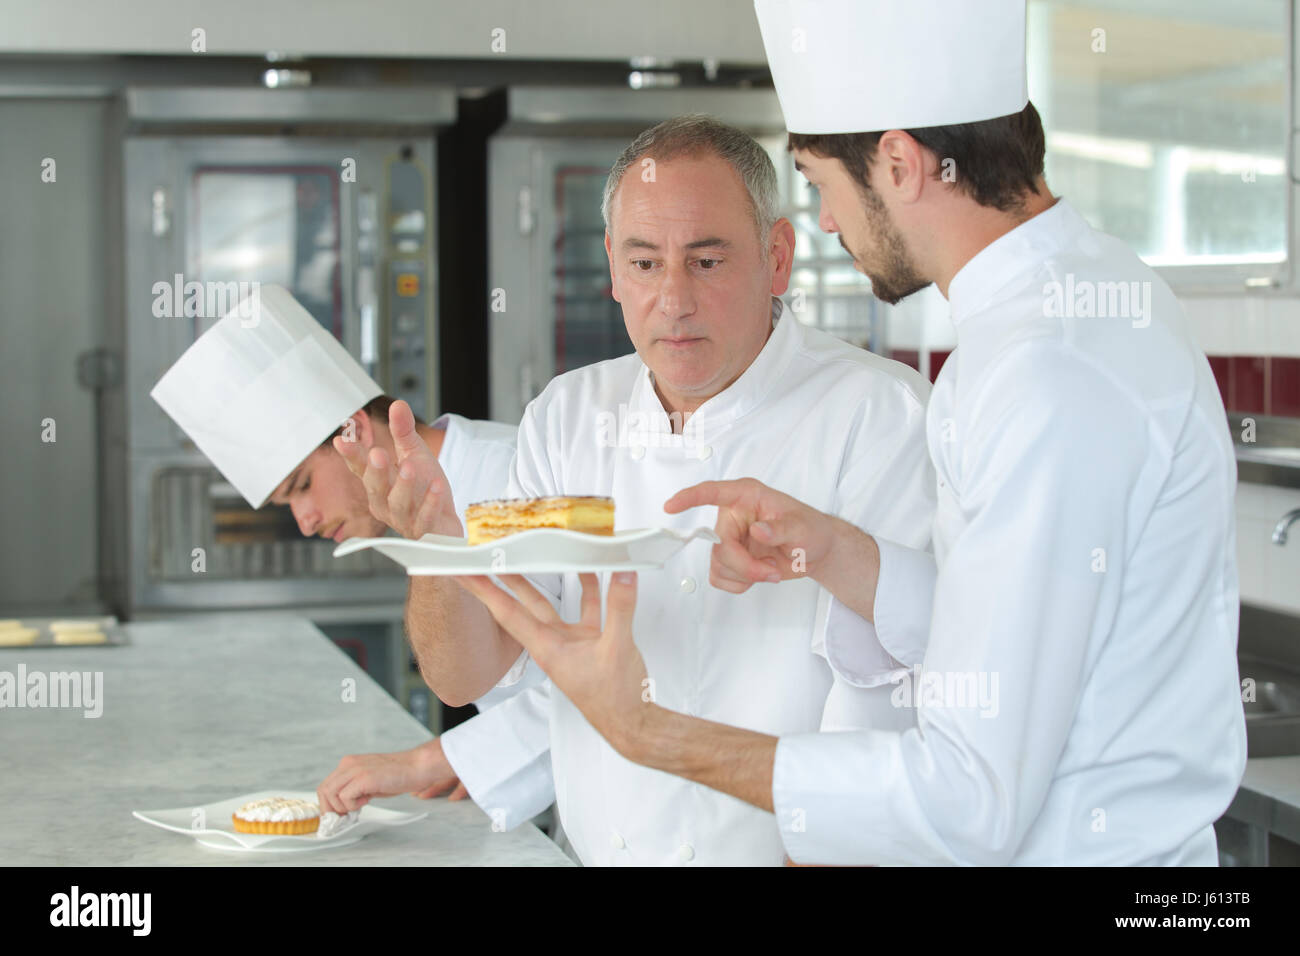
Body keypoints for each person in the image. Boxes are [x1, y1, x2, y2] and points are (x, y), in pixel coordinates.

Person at [457, 0, 1248, 866]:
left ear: (900, 164)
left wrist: (645, 731)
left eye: (823, 183)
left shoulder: (1042, 370)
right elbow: (1004, 625)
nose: (831, 221)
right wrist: (839, 553)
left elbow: (967, 801)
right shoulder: (1086, 297)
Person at [341, 115, 936, 865]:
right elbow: (468, 675)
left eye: (708, 261)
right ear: (614, 271)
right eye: (646, 263)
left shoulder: (880, 416)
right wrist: (436, 547)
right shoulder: (566, 415)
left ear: (777, 258)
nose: (674, 300)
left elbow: (889, 707)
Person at [149, 285, 554, 826]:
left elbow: (610, 677)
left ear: (353, 430)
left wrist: (437, 757)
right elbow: (502, 674)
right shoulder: (418, 508)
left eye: (302, 486)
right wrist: (483, 753)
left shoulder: (517, 481)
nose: (305, 520)